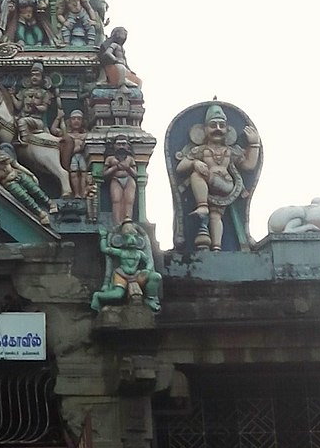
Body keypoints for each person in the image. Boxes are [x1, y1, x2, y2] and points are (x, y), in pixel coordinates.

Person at [174, 104, 260, 251]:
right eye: (213, 125)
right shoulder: (200, 150)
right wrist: (195, 162)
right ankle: (216, 247)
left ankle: (203, 207)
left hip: (227, 185)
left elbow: (249, 166)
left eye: (222, 125)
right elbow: (180, 167)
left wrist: (254, 144)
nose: (218, 129)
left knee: (198, 176)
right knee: (215, 215)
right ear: (204, 130)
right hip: (209, 187)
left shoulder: (231, 151)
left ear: (227, 130)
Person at [91, 220, 162, 311]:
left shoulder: (139, 253)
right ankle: (98, 296)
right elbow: (105, 249)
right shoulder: (121, 252)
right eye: (128, 237)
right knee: (118, 294)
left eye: (134, 237)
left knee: (156, 276)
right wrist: (104, 237)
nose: (132, 240)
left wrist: (148, 269)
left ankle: (150, 299)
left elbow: (149, 261)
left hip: (136, 275)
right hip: (121, 275)